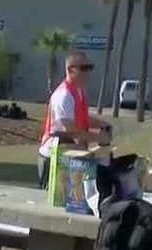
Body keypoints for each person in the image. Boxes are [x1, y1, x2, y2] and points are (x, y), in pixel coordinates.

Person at [38, 51, 113, 189]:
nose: (87, 72)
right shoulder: (64, 95)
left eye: (89, 68)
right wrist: (98, 138)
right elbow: (70, 129)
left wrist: (103, 124)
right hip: (54, 157)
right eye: (83, 68)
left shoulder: (79, 91)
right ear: (70, 70)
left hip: (70, 154)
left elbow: (82, 119)